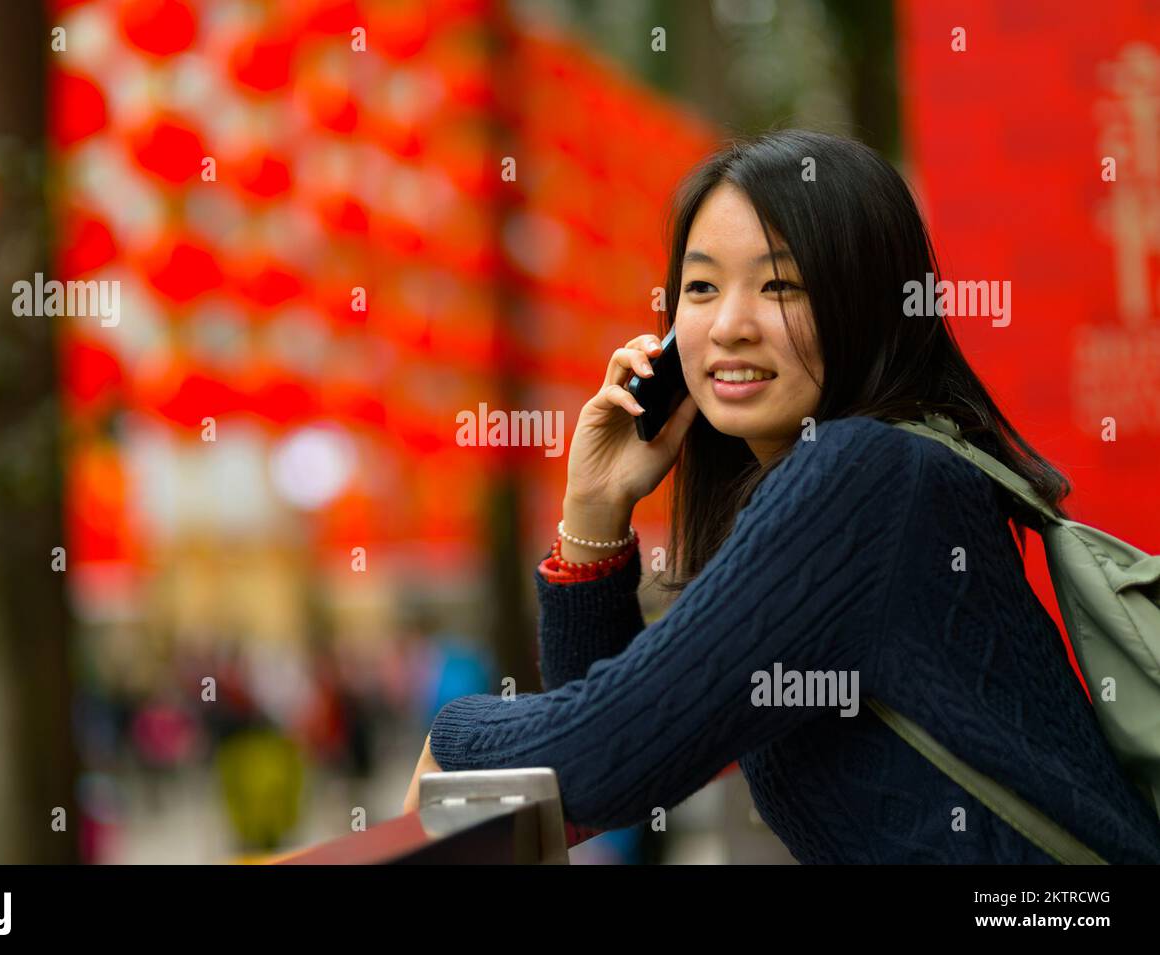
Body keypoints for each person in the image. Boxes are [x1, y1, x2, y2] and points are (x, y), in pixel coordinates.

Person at [402, 129, 1160, 863]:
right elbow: (613, 774)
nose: (729, 326)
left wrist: (454, 732)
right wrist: (594, 512)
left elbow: (599, 754)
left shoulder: (863, 475)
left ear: (865, 305)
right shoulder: (876, 470)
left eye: (781, 285)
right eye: (700, 287)